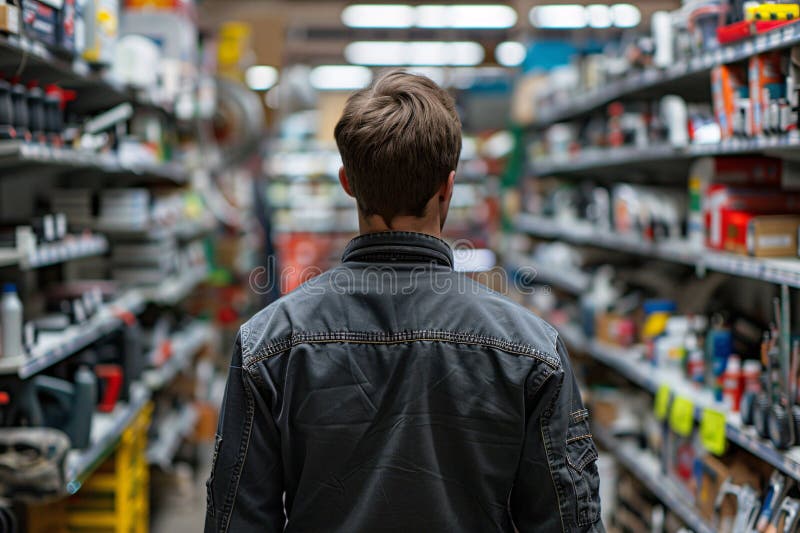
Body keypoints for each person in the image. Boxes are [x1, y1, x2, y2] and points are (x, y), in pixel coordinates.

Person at [204, 70, 603, 533]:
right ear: (447, 187)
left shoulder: (268, 343)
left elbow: (236, 522)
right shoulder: (533, 349)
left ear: (347, 182)